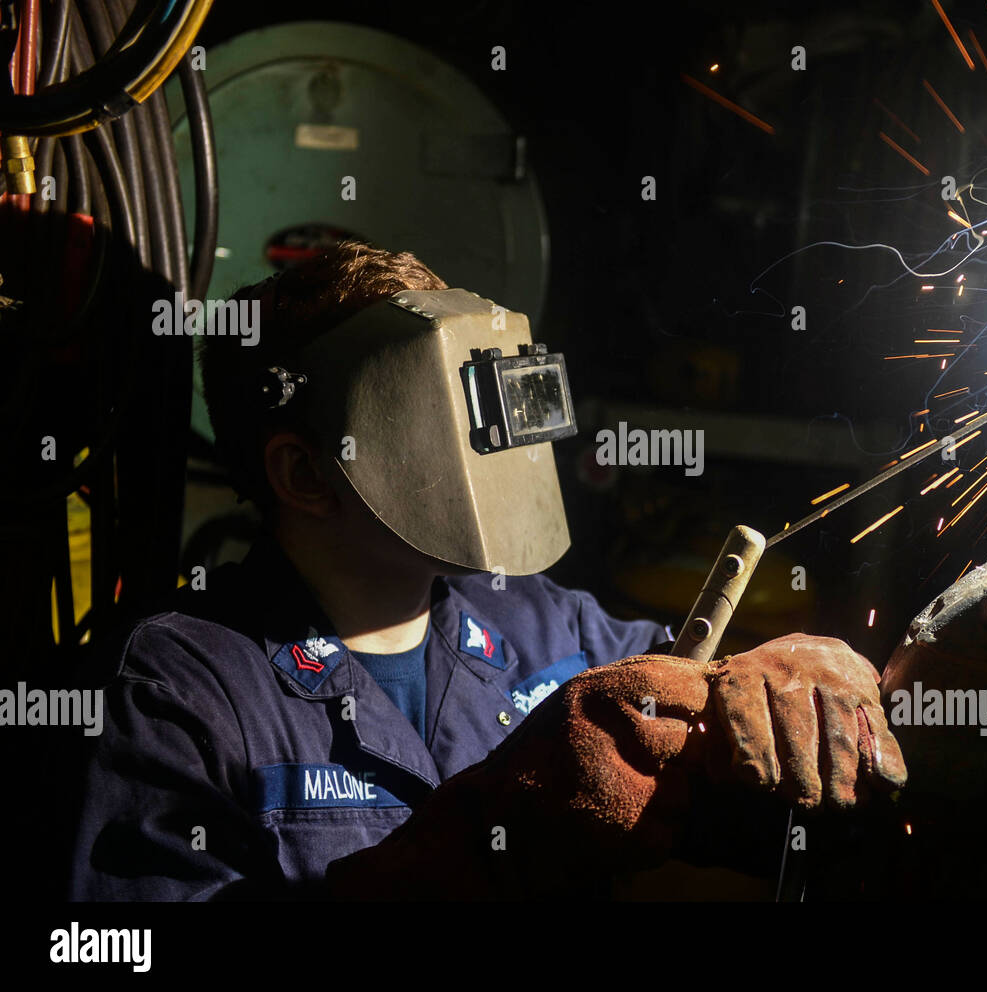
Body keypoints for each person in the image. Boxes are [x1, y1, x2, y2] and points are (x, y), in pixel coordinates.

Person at [66, 242, 907, 900]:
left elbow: (757, 754)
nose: (492, 443)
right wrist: (502, 831)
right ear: (305, 475)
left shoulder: (550, 629)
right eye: (442, 418)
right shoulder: (174, 691)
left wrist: (824, 676)